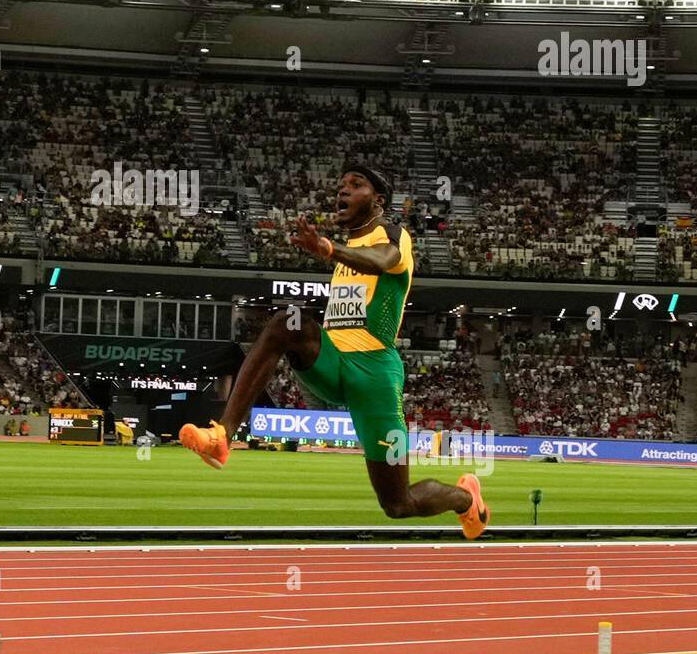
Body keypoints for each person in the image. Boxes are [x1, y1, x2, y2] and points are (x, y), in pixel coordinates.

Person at [179, 165, 490, 539]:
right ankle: (222, 437)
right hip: (333, 363)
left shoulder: (394, 235)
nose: (342, 191)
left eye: (355, 185)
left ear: (378, 200)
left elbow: (382, 261)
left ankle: (465, 500)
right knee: (285, 324)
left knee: (398, 504)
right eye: (341, 185)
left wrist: (328, 248)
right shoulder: (350, 248)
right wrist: (334, 250)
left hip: (375, 376)